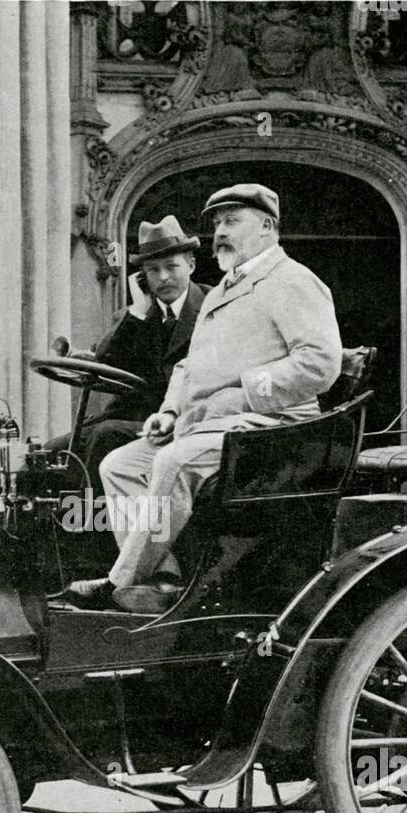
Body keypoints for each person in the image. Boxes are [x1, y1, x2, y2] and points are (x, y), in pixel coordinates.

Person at [65, 183, 343, 614]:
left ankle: (120, 580)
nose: (221, 233)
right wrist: (169, 410)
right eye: (217, 223)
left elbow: (320, 364)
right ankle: (162, 580)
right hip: (208, 425)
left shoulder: (292, 281)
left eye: (232, 221)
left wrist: (245, 393)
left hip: (274, 428)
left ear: (267, 226)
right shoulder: (223, 290)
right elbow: (187, 367)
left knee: (172, 462)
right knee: (117, 464)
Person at [47, 216, 206, 483]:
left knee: (105, 435)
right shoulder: (134, 316)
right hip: (129, 417)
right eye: (153, 270)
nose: (163, 277)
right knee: (52, 451)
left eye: (171, 266)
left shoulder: (212, 307)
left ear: (190, 265)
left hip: (181, 420)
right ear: (143, 277)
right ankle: (65, 521)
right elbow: (102, 363)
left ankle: (98, 525)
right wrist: (138, 313)